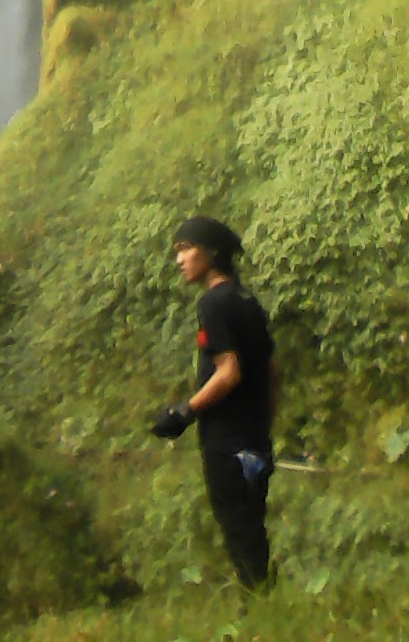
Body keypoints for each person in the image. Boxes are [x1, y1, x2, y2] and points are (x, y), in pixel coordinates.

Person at [148, 216, 277, 589]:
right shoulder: (247, 300)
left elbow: (228, 372)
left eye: (186, 249)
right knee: (253, 530)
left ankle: (262, 612)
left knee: (239, 533)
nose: (180, 260)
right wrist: (264, 427)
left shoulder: (213, 304)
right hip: (254, 441)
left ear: (211, 253)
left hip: (227, 443)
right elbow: (271, 371)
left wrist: (183, 412)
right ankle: (268, 609)